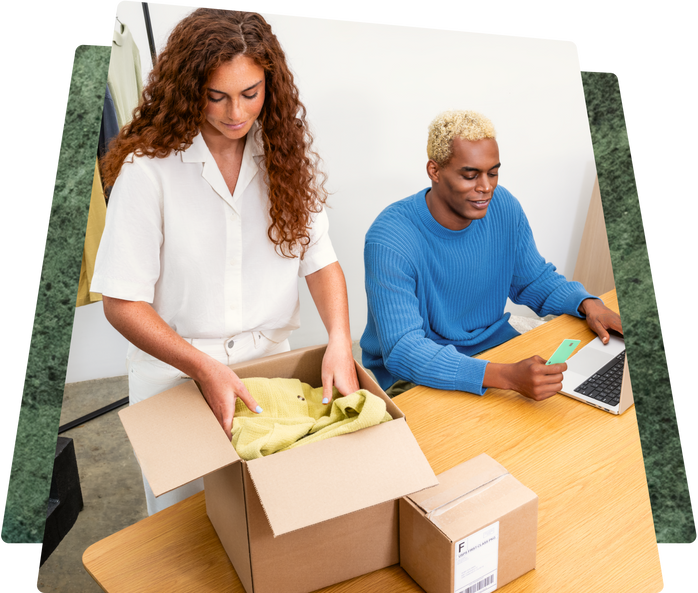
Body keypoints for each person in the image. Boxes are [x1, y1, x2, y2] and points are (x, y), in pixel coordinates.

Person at [92, 6, 359, 515]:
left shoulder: (282, 153)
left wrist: (339, 342)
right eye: (216, 96)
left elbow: (320, 261)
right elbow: (122, 302)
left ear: (269, 86)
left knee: (271, 519)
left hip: (268, 370)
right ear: (188, 87)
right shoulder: (148, 170)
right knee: (183, 537)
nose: (235, 113)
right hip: (176, 377)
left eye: (249, 94)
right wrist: (204, 367)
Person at [360, 110, 622, 401]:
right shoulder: (390, 238)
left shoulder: (503, 207)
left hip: (494, 349)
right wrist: (506, 376)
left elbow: (533, 281)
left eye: (493, 173)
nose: (486, 187)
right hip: (415, 373)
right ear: (434, 171)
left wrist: (587, 303)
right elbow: (404, 350)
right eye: (470, 175)